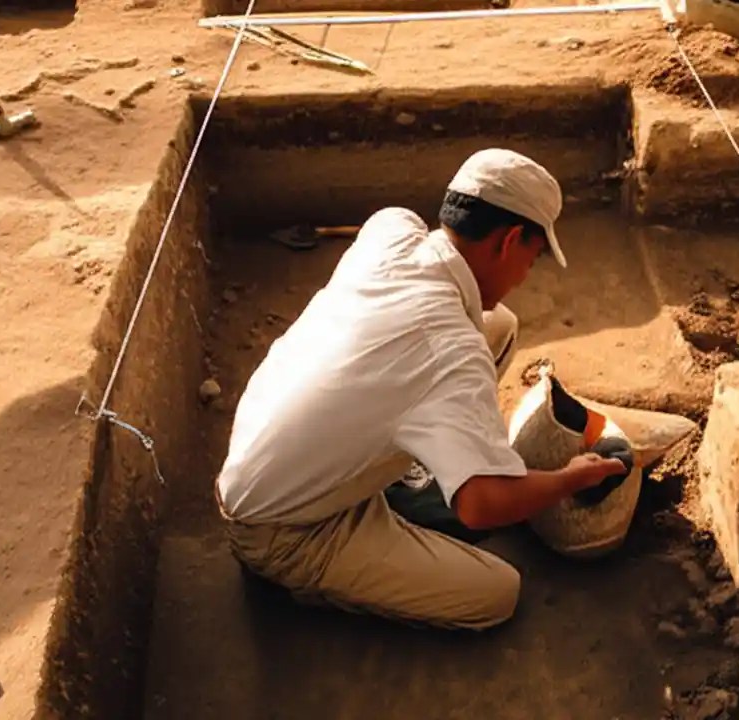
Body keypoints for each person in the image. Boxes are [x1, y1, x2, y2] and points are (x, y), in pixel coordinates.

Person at [214, 148, 626, 631]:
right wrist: (571, 478)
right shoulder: (449, 351)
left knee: (497, 325)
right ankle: (308, 577)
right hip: (284, 529)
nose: (523, 277)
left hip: (265, 455)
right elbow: (481, 506)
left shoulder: (390, 230)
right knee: (497, 594)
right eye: (531, 260)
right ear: (509, 240)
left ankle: (408, 476)